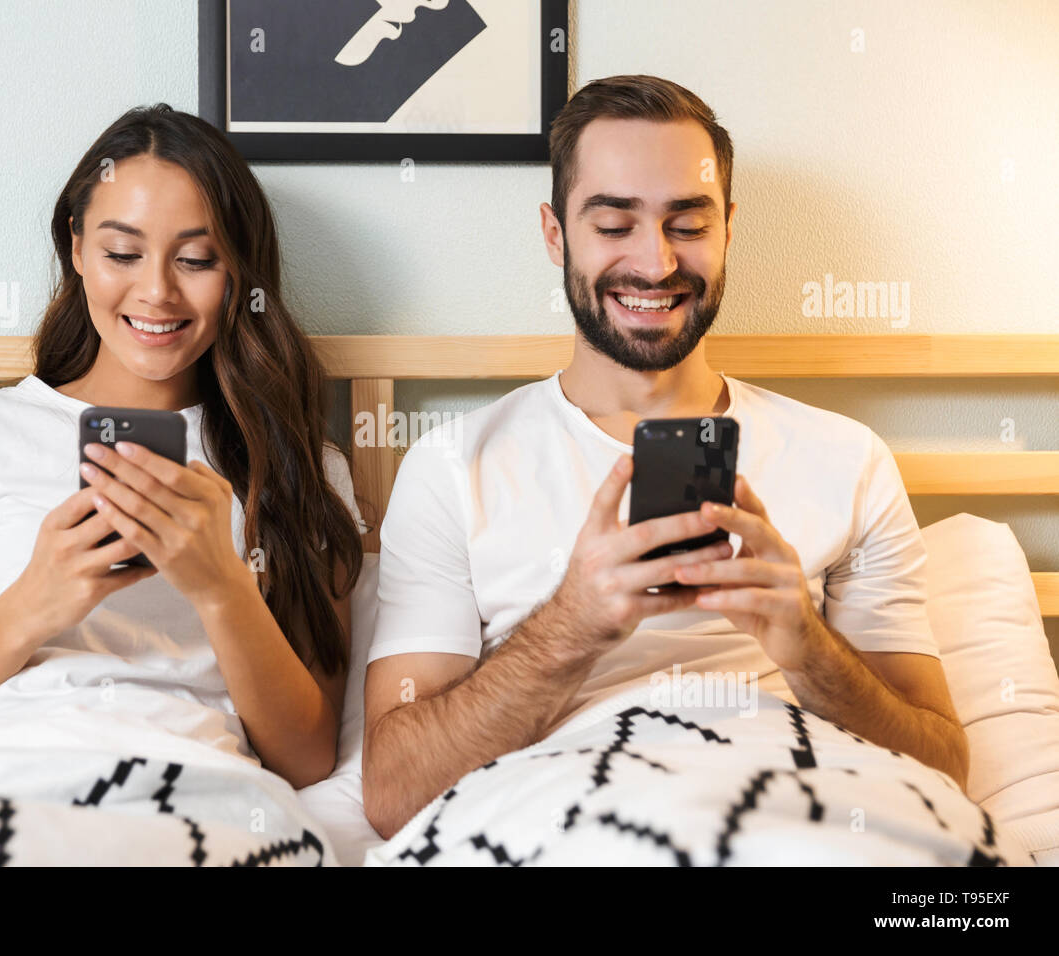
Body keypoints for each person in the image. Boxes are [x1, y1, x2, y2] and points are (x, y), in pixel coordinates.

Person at [361, 75, 969, 841]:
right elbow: (390, 793)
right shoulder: (454, 466)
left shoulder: (848, 459)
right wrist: (573, 627)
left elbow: (943, 767)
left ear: (728, 229)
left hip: (794, 820)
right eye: (614, 224)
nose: (655, 264)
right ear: (555, 234)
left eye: (687, 224)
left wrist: (805, 643)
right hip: (568, 823)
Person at [0, 103, 365, 792]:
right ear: (76, 247)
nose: (156, 291)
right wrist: (36, 601)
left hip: (194, 800)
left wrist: (220, 586)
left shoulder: (298, 464)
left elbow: (307, 759)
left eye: (196, 259)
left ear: (239, 271)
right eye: (122, 253)